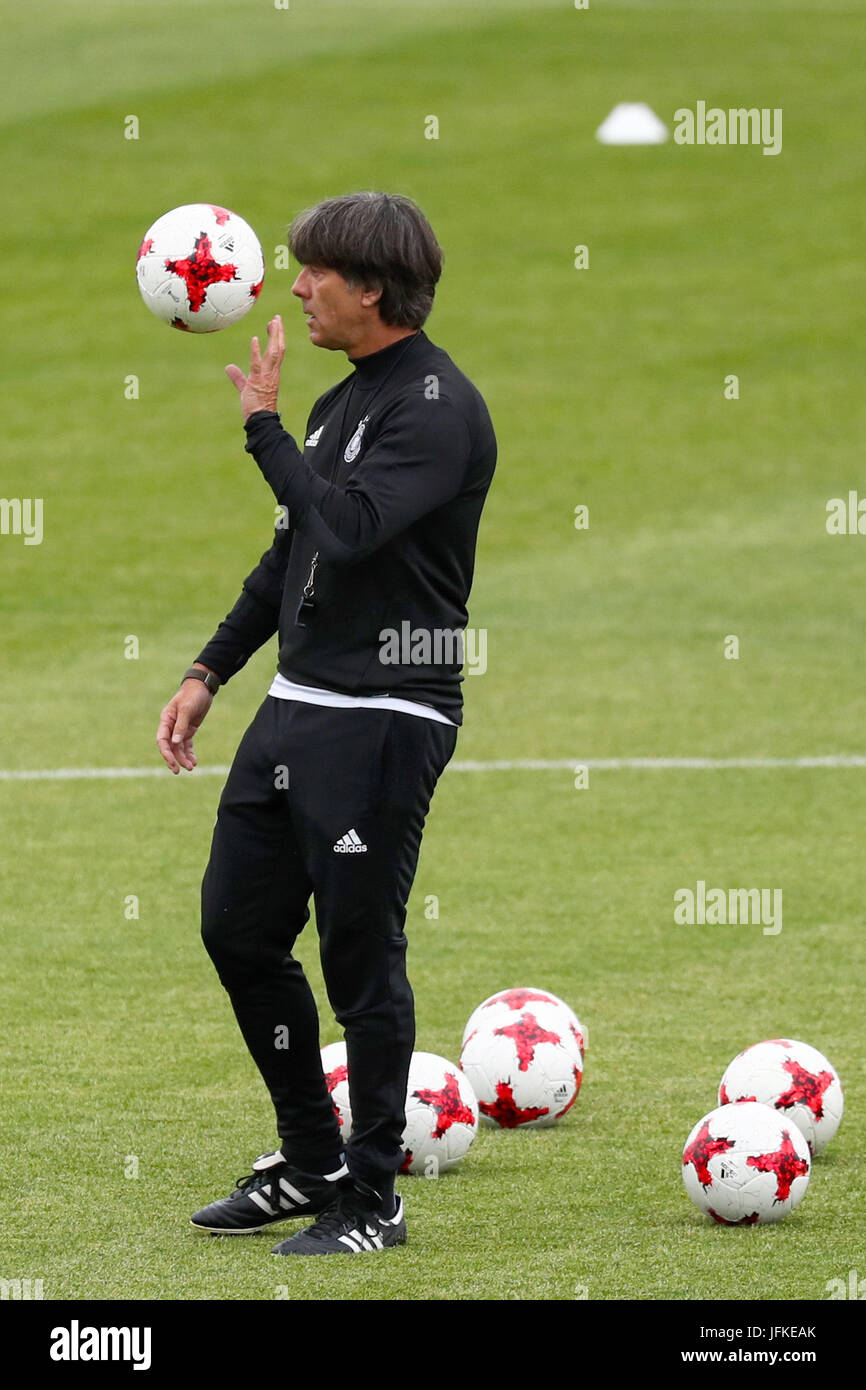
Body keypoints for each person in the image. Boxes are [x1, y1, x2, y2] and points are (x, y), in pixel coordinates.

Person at [156, 191, 497, 1256]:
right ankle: (307, 1159)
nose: (293, 287)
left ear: (374, 289)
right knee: (237, 927)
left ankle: (373, 1197)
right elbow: (292, 554)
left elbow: (344, 530)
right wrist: (213, 665)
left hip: (389, 707)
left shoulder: (436, 406)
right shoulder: (343, 402)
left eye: (313, 272)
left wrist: (261, 426)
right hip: (302, 704)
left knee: (358, 955)